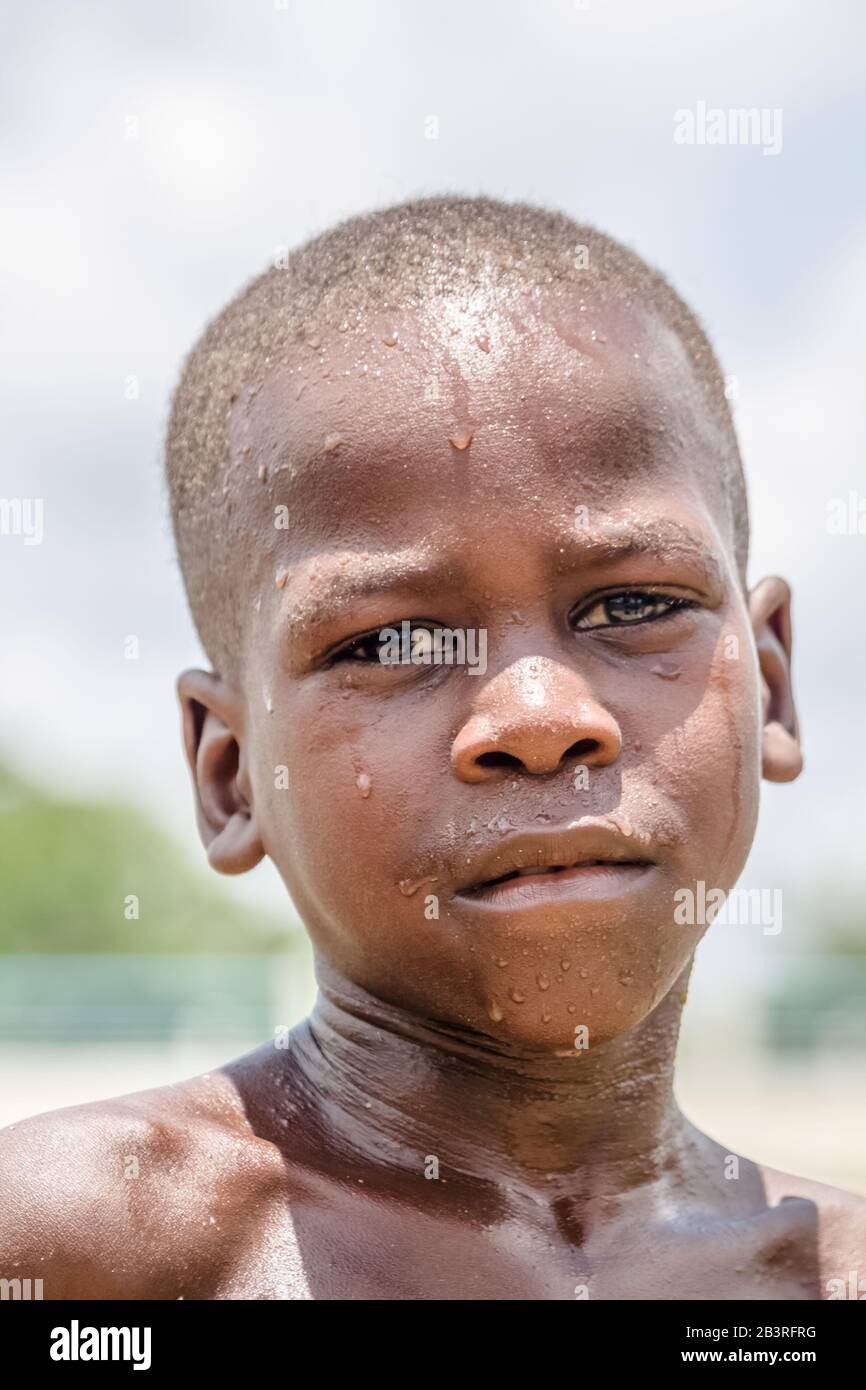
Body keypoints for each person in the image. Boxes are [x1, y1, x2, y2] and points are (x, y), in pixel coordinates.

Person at [2, 196, 863, 1299]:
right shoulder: (81, 1254)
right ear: (229, 773)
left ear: (771, 683)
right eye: (393, 639)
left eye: (630, 603)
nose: (542, 716)